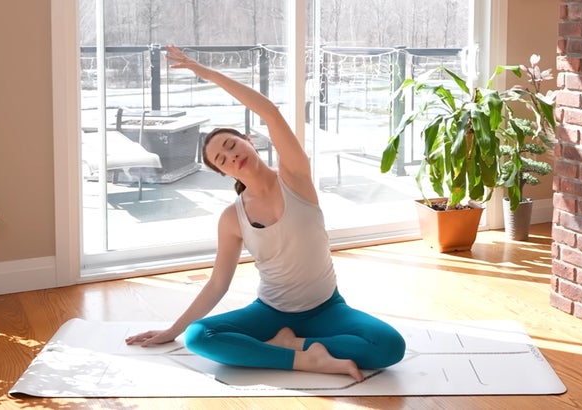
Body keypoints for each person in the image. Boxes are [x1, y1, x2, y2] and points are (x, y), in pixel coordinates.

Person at [125, 45, 406, 382]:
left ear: (248, 141)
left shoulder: (296, 177)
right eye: (221, 159)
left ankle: (293, 344)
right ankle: (304, 358)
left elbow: (270, 112)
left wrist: (207, 73)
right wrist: (173, 329)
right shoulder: (232, 218)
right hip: (270, 312)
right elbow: (218, 283)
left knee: (390, 346)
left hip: (327, 309)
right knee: (200, 337)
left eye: (232, 145)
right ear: (223, 172)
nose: (231, 157)